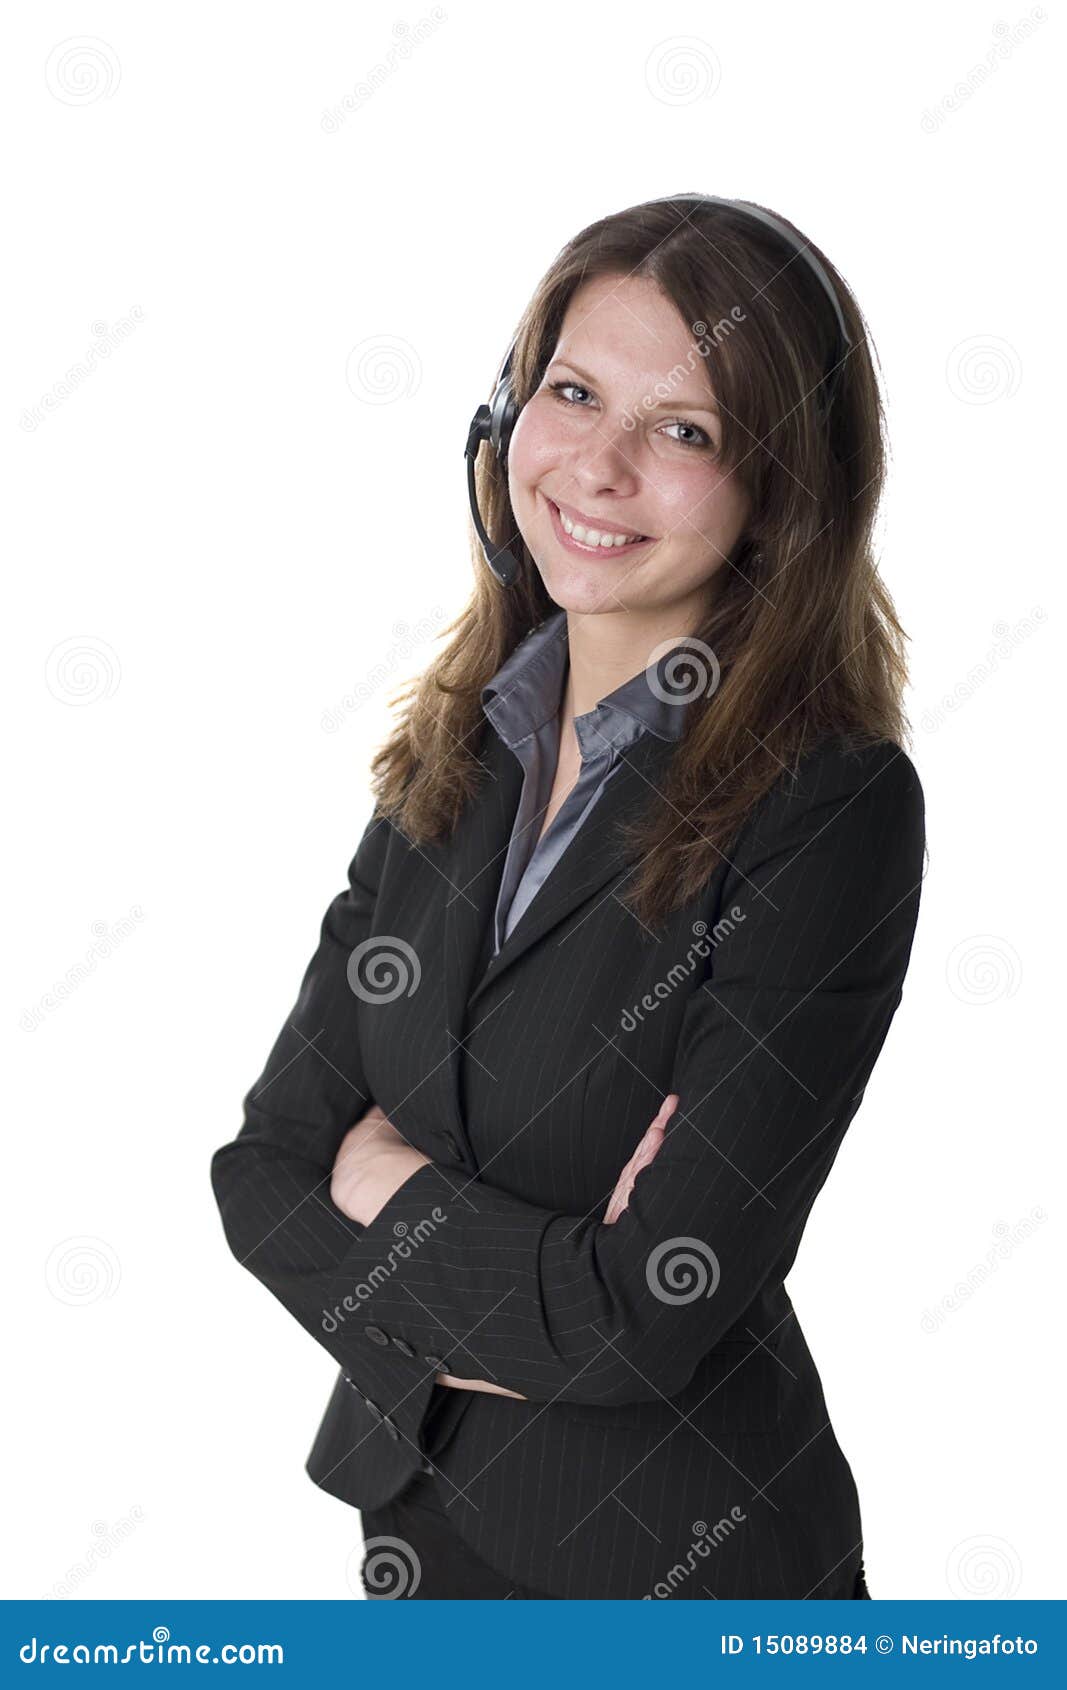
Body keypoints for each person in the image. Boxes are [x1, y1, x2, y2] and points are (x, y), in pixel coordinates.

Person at [211, 193, 925, 1600]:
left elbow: (640, 1320)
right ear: (506, 413)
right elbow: (263, 1174)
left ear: (780, 489)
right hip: (415, 1536)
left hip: (683, 1575)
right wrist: (526, 1266)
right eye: (575, 391)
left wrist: (388, 1183)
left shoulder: (828, 808)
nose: (596, 465)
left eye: (685, 429)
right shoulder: (461, 745)